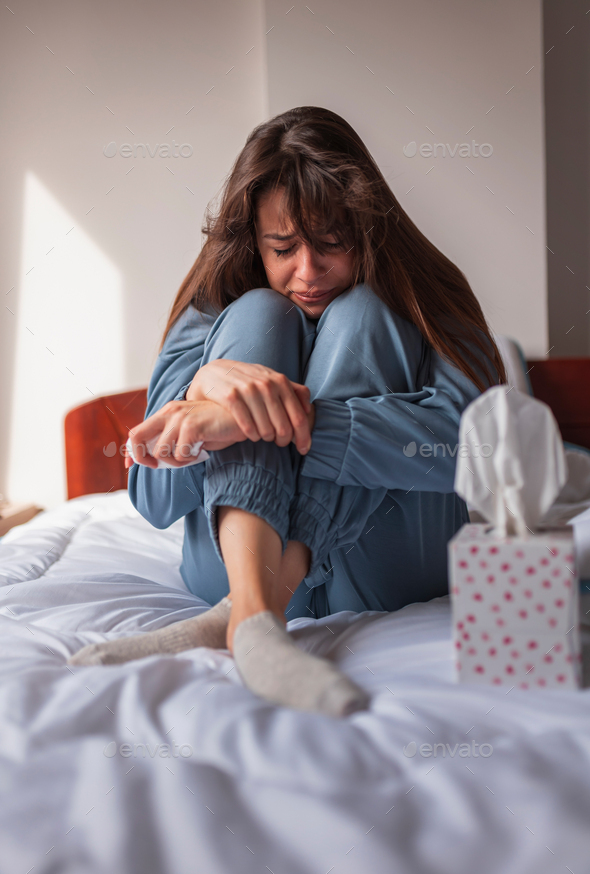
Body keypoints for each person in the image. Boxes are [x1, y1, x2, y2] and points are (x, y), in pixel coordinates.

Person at [69, 106, 506, 717]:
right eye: (284, 247)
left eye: (332, 244)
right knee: (257, 314)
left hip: (391, 568)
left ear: (370, 231)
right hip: (225, 564)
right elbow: (153, 497)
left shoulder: (428, 300)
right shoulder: (212, 312)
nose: (308, 271)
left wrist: (248, 421)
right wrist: (206, 394)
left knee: (365, 314)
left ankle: (244, 615)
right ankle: (257, 611)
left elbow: (474, 450)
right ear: (253, 241)